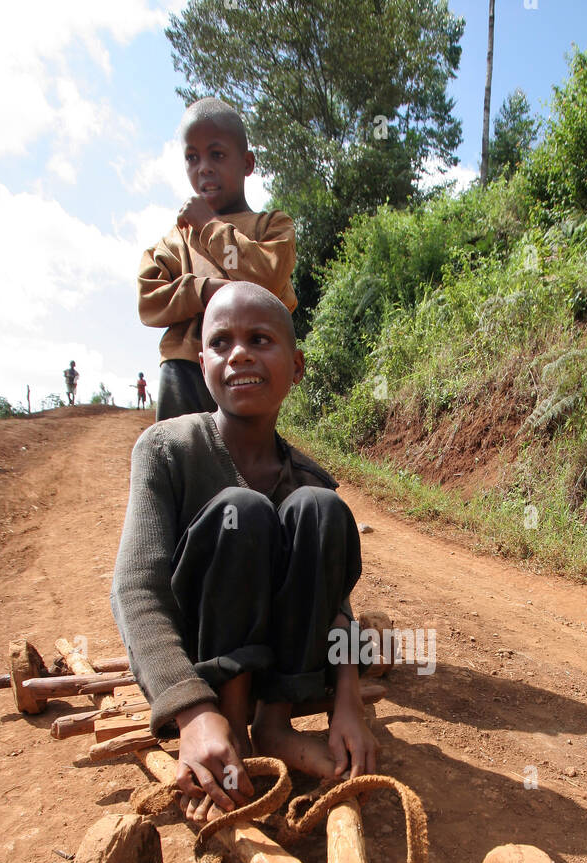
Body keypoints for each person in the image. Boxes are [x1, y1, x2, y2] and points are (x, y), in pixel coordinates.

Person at [111, 282, 377, 820]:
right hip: (199, 660)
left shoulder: (308, 477)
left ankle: (273, 726)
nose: (239, 354)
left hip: (279, 665)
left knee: (321, 508)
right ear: (202, 360)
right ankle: (227, 727)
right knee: (243, 510)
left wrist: (347, 701)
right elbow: (136, 589)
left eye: (260, 339)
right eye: (221, 342)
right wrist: (191, 711)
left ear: (297, 366)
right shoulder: (167, 448)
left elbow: (336, 604)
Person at [138, 97, 297, 423]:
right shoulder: (178, 237)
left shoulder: (272, 227)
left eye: (217, 154)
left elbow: (266, 279)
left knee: (244, 466)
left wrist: (208, 224)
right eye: (192, 158)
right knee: (178, 459)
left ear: (247, 163)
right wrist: (205, 290)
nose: (204, 167)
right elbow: (148, 301)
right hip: (183, 367)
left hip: (250, 368)